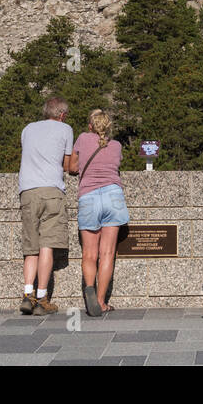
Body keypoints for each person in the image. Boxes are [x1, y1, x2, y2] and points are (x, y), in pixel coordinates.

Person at [19, 98, 76, 316]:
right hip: (52, 190)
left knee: (30, 247)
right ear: (62, 115)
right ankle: (42, 298)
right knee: (47, 245)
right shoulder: (65, 129)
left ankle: (27, 294)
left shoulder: (28, 129)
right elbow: (67, 164)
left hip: (28, 190)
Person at [69, 109, 128, 316]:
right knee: (107, 254)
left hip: (89, 196)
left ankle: (89, 290)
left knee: (89, 253)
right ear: (109, 127)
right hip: (113, 196)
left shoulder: (83, 139)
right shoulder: (117, 145)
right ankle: (101, 302)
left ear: (91, 126)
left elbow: (72, 166)